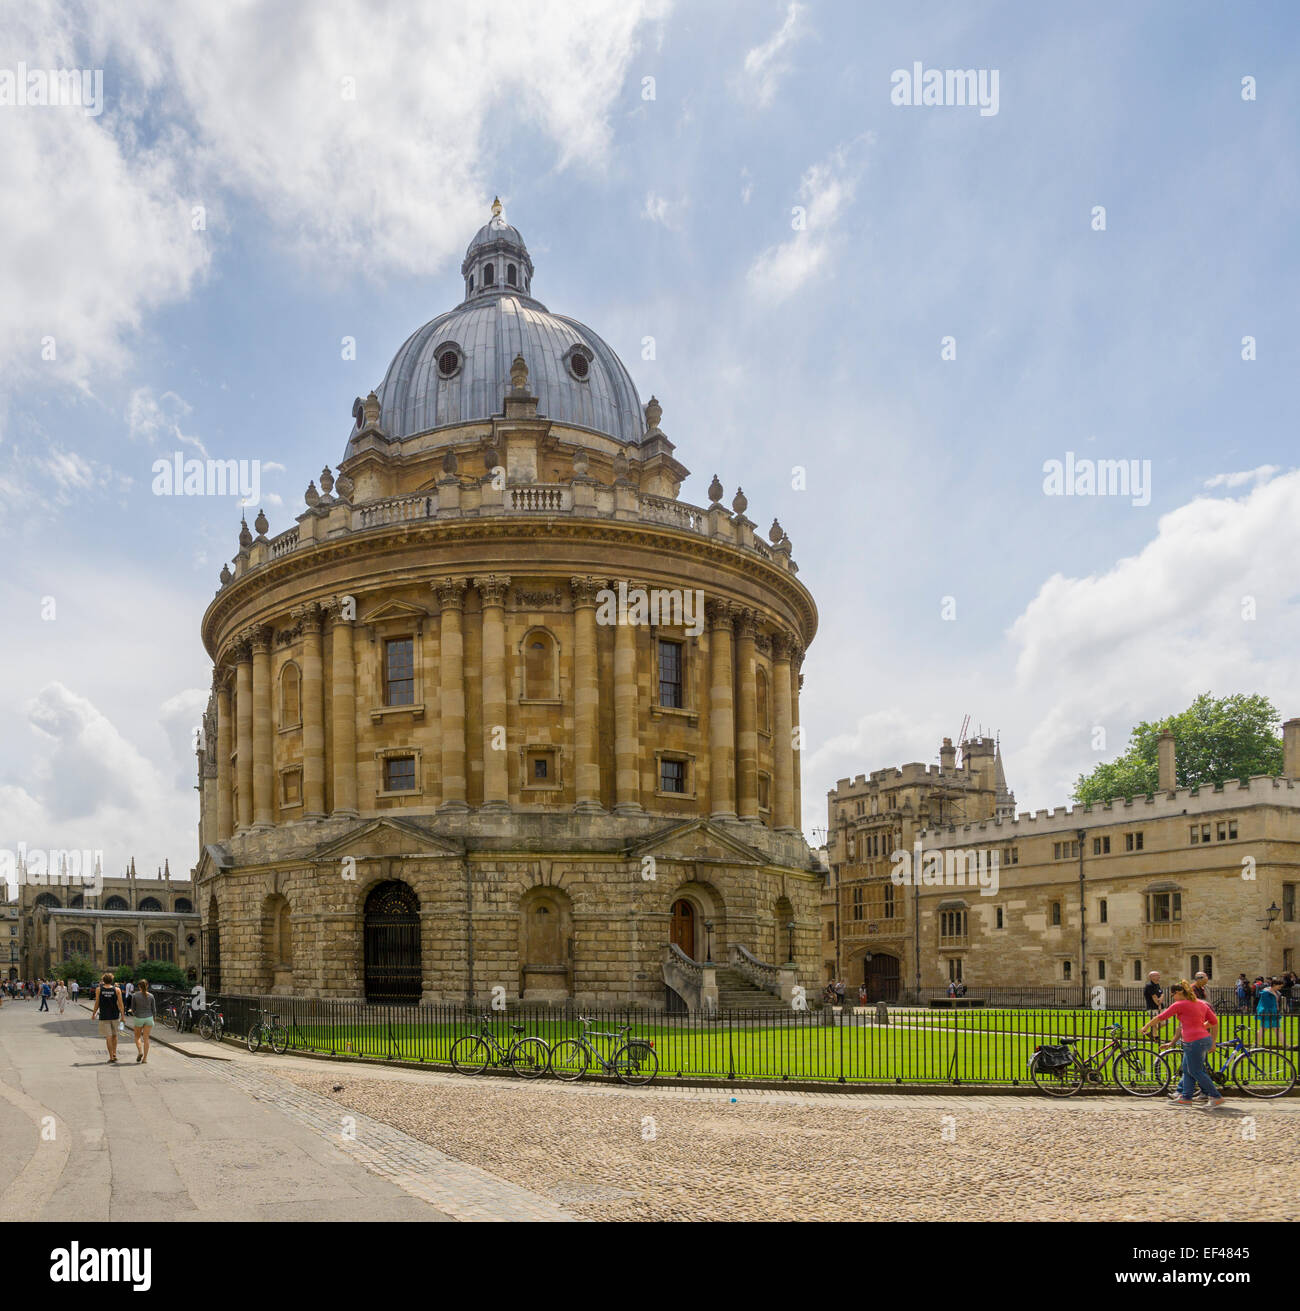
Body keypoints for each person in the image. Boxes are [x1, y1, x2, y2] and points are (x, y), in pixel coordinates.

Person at [1141, 979, 1222, 1108]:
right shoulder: (1201, 1004)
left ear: (1179, 992)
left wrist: (1146, 1027)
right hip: (1203, 1040)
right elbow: (1214, 1021)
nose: (1173, 998)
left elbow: (1161, 1017)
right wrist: (1202, 1029)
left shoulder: (1180, 1004)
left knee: (1196, 1071)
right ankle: (1186, 1097)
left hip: (1193, 1042)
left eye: (1173, 995)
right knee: (1187, 1070)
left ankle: (1215, 1096)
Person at [91, 973, 125, 1064]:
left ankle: (111, 1057)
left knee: (108, 1037)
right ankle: (114, 1053)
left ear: (103, 980)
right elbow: (121, 1004)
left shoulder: (99, 989)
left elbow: (97, 1002)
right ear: (111, 980)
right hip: (115, 1015)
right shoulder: (117, 989)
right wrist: (123, 1016)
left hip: (104, 1016)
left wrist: (94, 1013)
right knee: (115, 1035)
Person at [129, 978, 156, 1064]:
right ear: (147, 986)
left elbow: (133, 1009)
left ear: (139, 987)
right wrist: (153, 1018)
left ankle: (140, 1051)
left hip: (139, 1017)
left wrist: (133, 1013)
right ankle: (145, 1059)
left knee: (137, 1037)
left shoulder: (135, 995)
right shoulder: (151, 996)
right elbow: (154, 1009)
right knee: (146, 1038)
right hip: (149, 1018)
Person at [1255, 976, 1281, 1046]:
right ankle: (1255, 1043)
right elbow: (1266, 1004)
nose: (1280, 988)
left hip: (1274, 1012)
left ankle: (1285, 1045)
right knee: (1263, 1029)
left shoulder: (1276, 992)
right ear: (1274, 985)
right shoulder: (1266, 992)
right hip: (1268, 1013)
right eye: (1279, 986)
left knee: (1277, 1029)